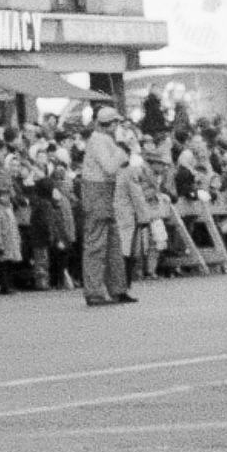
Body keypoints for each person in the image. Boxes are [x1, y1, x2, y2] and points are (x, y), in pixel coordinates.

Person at [75, 109, 138, 307]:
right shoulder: (98, 140)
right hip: (97, 192)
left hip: (103, 192)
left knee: (113, 244)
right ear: (110, 124)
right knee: (96, 245)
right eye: (115, 124)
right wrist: (121, 150)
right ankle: (94, 292)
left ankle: (118, 289)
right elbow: (110, 167)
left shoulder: (103, 139)